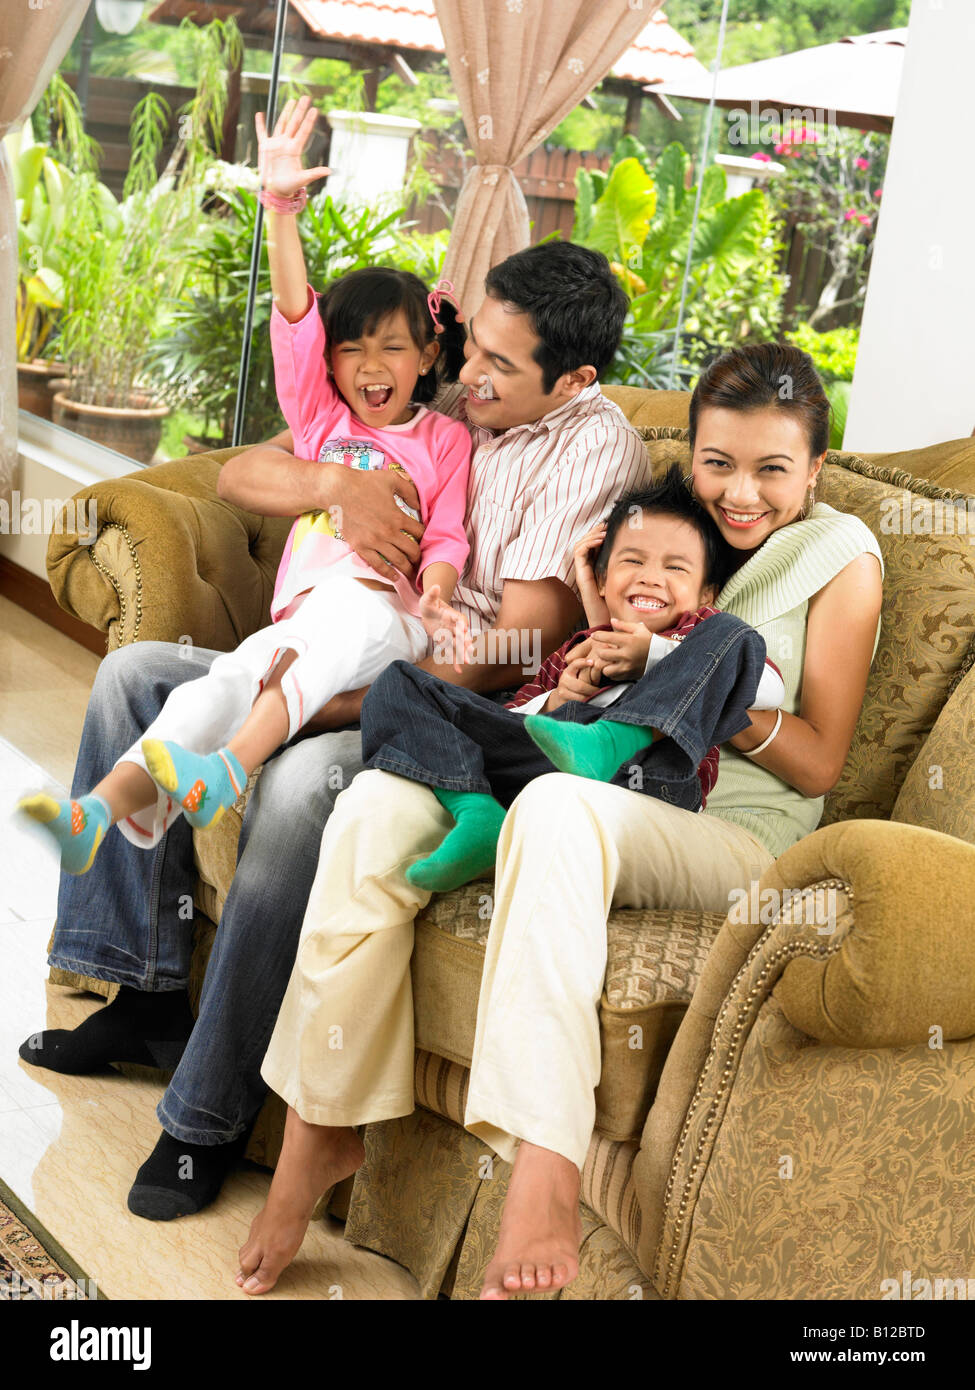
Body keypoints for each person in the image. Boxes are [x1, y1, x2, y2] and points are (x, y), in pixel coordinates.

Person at [234, 342, 884, 1298]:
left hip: (733, 840)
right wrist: (598, 633)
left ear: (815, 470)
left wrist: (670, 671)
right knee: (375, 804)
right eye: (718, 463)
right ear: (691, 453)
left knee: (558, 805)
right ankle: (317, 1124)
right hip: (596, 779)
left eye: (772, 470)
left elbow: (821, 757)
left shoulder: (836, 559)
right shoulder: (666, 534)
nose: (740, 493)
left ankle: (546, 1159)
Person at [18, 228, 648, 1214]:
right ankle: (141, 994)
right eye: (469, 345)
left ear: (570, 381)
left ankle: (206, 1120)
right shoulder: (453, 400)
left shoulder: (589, 447)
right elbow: (240, 474)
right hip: (344, 637)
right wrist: (335, 486)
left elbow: (518, 646)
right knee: (137, 676)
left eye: (496, 363)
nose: (467, 373)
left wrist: (336, 703)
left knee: (306, 787)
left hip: (446, 696)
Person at [18, 96, 474, 874]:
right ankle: (95, 812)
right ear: (328, 365)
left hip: (387, 619)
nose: (370, 367)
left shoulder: (444, 438)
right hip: (307, 613)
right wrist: (281, 207)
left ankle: (226, 770)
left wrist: (436, 590)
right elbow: (294, 319)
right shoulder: (322, 427)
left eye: (393, 349)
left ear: (429, 357)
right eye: (351, 350)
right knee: (217, 684)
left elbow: (448, 532)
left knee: (318, 640)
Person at [358, 466, 786, 894]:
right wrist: (555, 700)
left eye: (676, 568)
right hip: (543, 768)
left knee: (735, 633)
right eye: (632, 560)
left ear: (705, 593)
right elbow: (506, 723)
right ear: (602, 578)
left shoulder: (699, 632)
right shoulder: (577, 647)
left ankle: (612, 739)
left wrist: (651, 656)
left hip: (647, 779)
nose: (651, 576)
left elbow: (768, 687)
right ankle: (475, 810)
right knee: (397, 682)